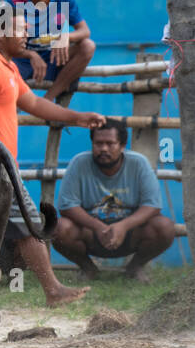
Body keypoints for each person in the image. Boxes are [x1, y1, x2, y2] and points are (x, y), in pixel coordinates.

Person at [0, 3, 104, 306]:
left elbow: (35, 105)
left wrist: (76, 117)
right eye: (21, 29)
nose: (27, 35)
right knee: (27, 222)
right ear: (1, 33)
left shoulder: (7, 67)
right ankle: (52, 290)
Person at [52, 120, 174, 283]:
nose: (103, 148)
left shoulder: (138, 163)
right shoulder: (79, 162)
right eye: (98, 143)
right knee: (58, 228)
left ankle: (135, 267)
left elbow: (152, 205)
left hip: (130, 233)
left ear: (122, 145)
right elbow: (66, 206)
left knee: (164, 227)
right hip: (90, 233)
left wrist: (123, 226)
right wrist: (98, 226)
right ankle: (88, 268)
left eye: (110, 144)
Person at [7, 0, 95, 100]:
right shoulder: (14, 3)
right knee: (4, 69)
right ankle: (13, 109)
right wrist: (31, 54)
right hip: (23, 62)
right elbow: (2, 44)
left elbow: (85, 31)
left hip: (55, 58)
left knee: (87, 46)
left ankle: (49, 98)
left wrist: (65, 37)